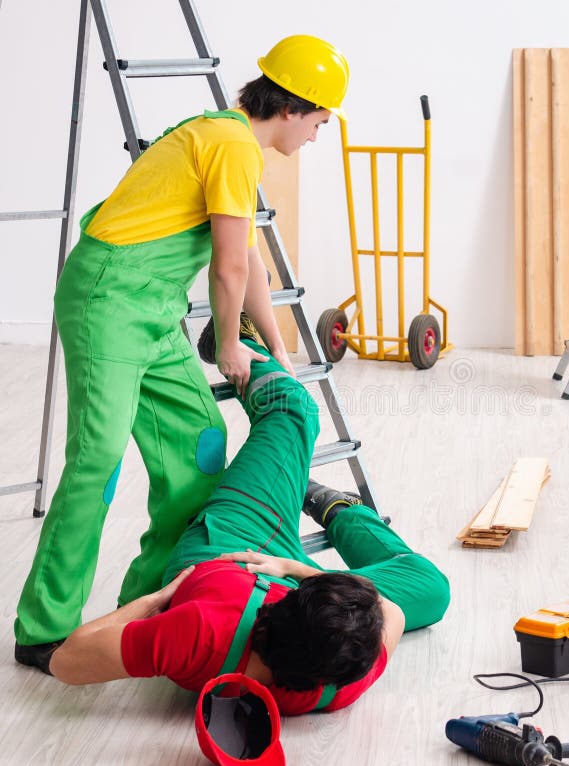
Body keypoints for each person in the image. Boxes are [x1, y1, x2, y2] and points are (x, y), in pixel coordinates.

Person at [15, 35, 350, 669]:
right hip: (108, 297)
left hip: (154, 307)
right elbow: (226, 269)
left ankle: (146, 603)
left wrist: (278, 347)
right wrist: (229, 344)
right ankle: (43, 627)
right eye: (319, 121)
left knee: (199, 447)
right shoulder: (230, 145)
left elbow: (248, 257)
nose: (316, 134)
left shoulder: (234, 146)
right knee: (98, 458)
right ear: (292, 107)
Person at [46, 327, 451, 715]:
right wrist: (296, 570)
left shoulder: (195, 631)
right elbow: (391, 612)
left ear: (283, 605)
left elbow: (65, 660)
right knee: (432, 588)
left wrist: (156, 601)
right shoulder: (340, 679)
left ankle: (237, 341)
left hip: (229, 542)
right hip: (281, 570)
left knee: (294, 410)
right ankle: (336, 508)